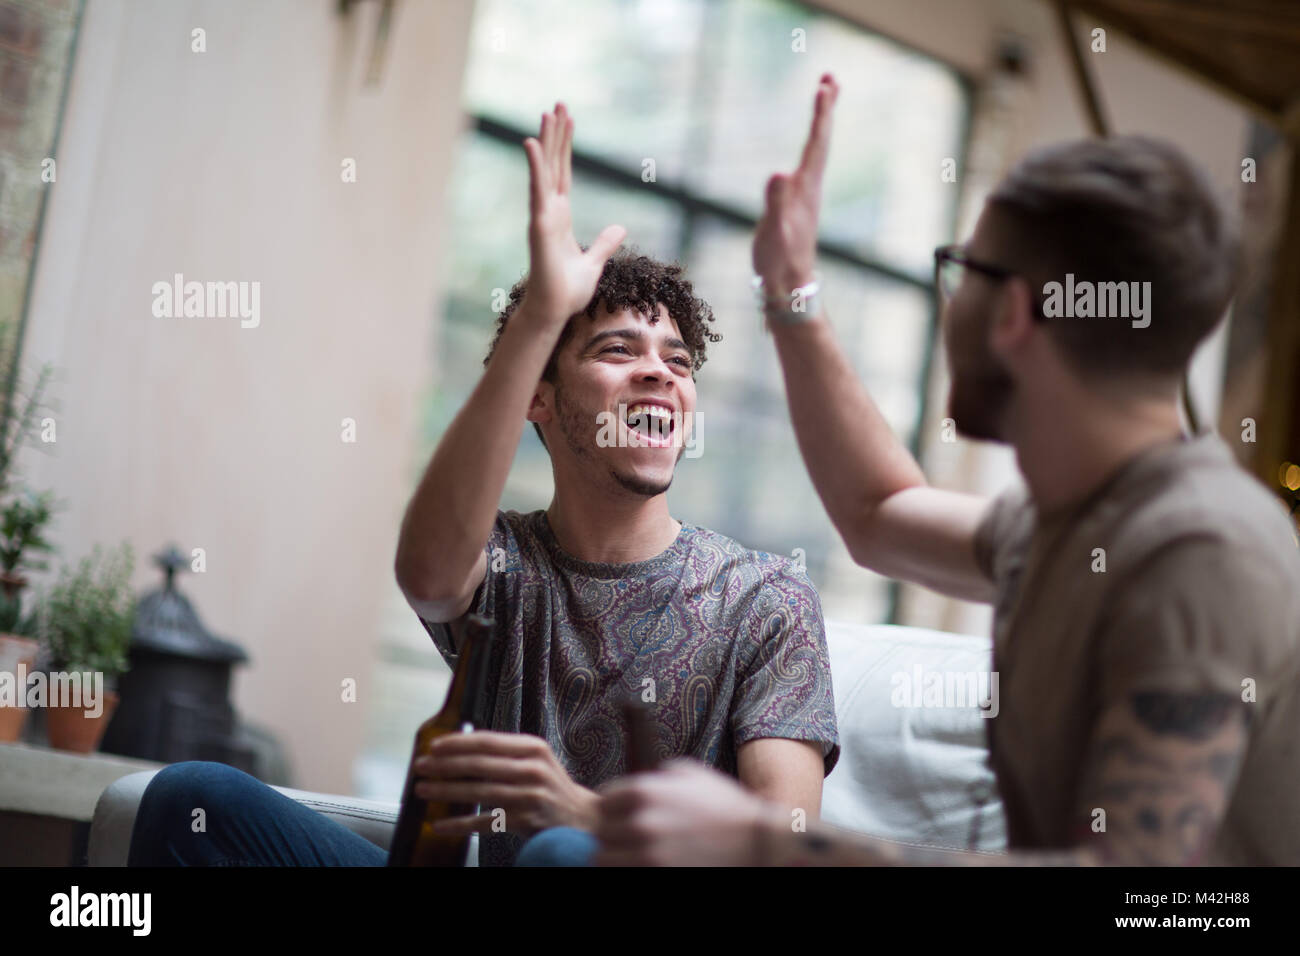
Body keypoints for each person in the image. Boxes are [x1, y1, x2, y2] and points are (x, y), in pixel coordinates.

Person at [594, 74, 1300, 867]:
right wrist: (790, 291)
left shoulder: (1202, 555)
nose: (949, 298)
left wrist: (763, 843)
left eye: (961, 270)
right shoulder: (1069, 525)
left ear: (1012, 312)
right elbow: (880, 511)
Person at [128, 102, 838, 868]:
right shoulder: (505, 564)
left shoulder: (766, 600)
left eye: (677, 361)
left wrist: (583, 816)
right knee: (191, 799)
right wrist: (540, 316)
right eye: (617, 349)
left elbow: (788, 852)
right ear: (540, 395)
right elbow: (430, 572)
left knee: (559, 854)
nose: (658, 373)